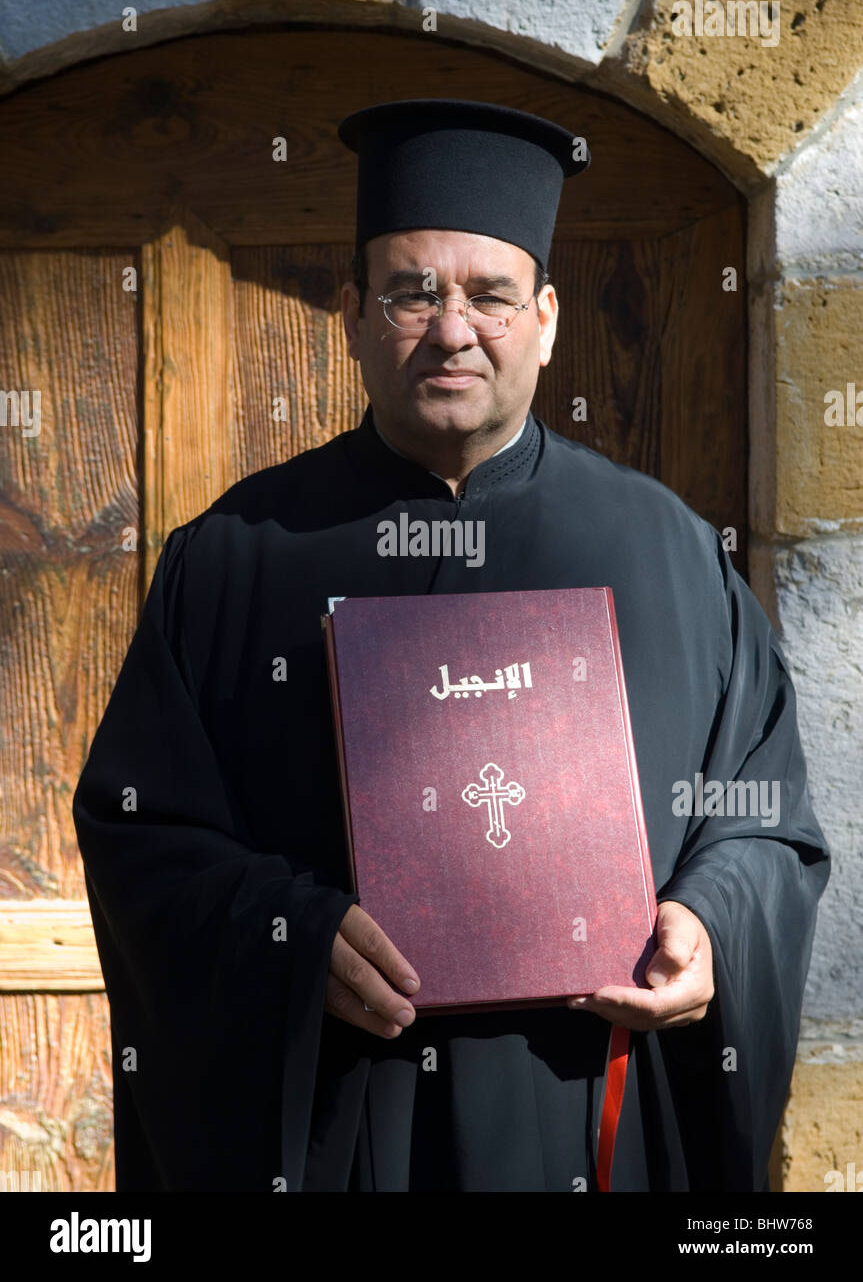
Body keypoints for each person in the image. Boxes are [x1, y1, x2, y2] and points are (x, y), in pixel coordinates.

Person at [73, 99, 830, 1192]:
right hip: (340, 1123)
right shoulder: (234, 559)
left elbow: (768, 828)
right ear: (349, 312)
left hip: (587, 1112)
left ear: (548, 318)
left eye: (487, 294)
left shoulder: (666, 550)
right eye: (410, 291)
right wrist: (284, 933)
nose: (450, 327)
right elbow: (141, 838)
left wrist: (710, 923)